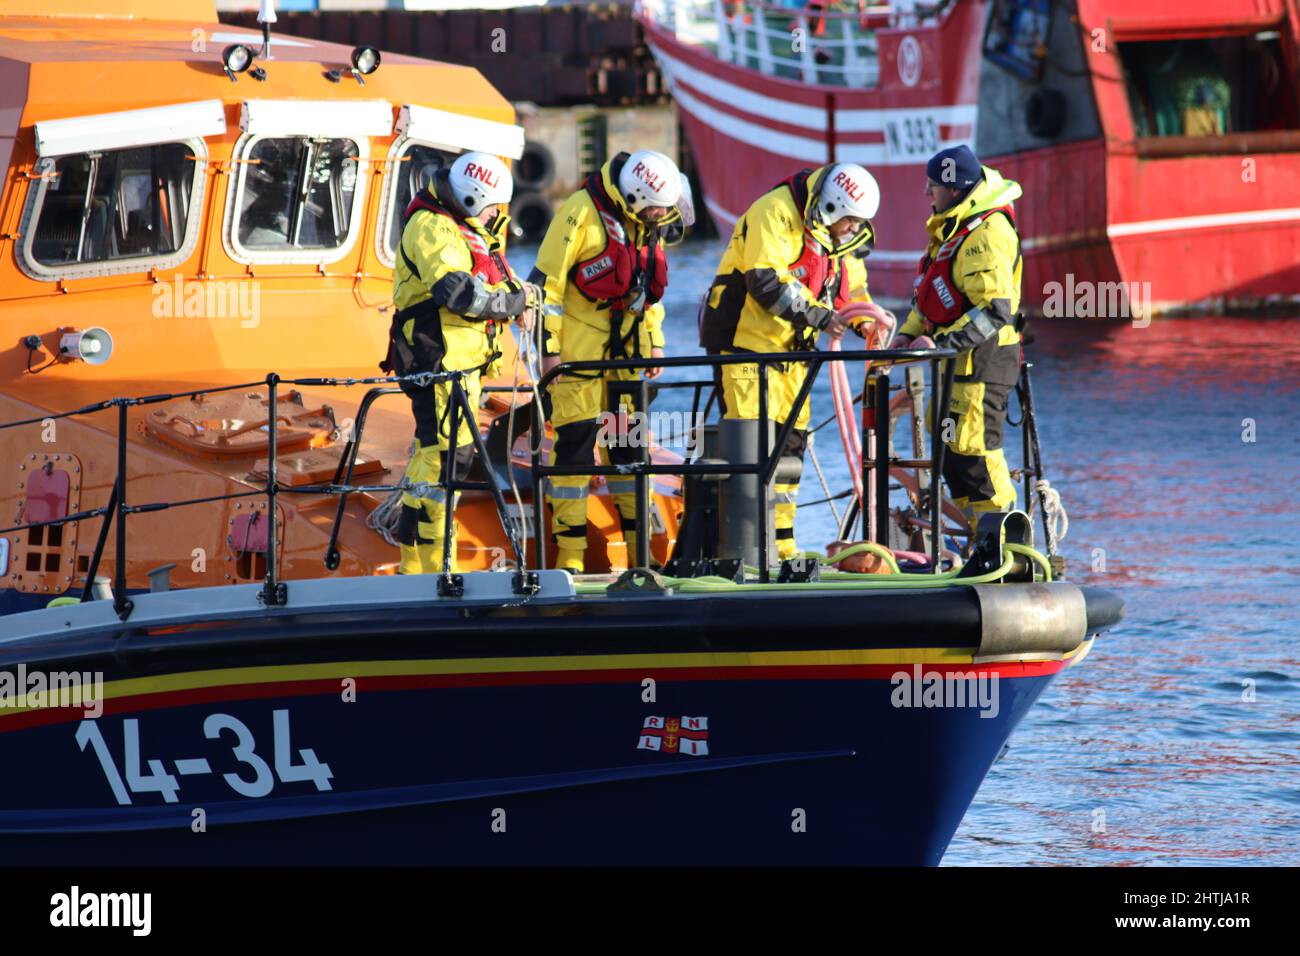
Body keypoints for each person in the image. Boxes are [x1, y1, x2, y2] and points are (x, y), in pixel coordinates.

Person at [699, 161, 888, 560]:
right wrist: (822, 317)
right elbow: (765, 280)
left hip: (793, 353)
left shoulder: (839, 234)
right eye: (850, 223)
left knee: (790, 449)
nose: (852, 231)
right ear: (834, 208)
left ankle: (782, 548)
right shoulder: (775, 211)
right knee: (751, 449)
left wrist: (866, 324)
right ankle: (746, 553)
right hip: (745, 347)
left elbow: (851, 291)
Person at [384, 150, 540, 575]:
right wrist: (514, 301)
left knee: (434, 461)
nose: (496, 215)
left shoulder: (463, 227)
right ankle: (435, 569)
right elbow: (459, 292)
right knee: (447, 460)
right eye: (492, 206)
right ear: (472, 198)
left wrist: (516, 298)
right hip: (438, 359)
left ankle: (416, 565)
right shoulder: (432, 228)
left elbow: (488, 282)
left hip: (460, 364)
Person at [529, 149, 685, 573]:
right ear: (634, 195)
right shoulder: (579, 213)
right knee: (575, 453)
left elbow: (648, 294)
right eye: (654, 208)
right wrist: (549, 351)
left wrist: (655, 343)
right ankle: (571, 558)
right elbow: (547, 288)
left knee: (627, 451)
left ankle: (641, 557)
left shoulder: (645, 225)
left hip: (624, 367)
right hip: (578, 362)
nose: (660, 216)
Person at [894, 144, 1023, 528]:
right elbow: (935, 294)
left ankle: (1008, 549)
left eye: (932, 186)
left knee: (977, 457)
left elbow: (995, 311)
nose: (926, 194)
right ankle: (975, 545)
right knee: (952, 454)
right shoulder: (954, 226)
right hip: (957, 366)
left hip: (983, 365)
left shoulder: (985, 234)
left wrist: (940, 345)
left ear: (953, 189)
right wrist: (908, 334)